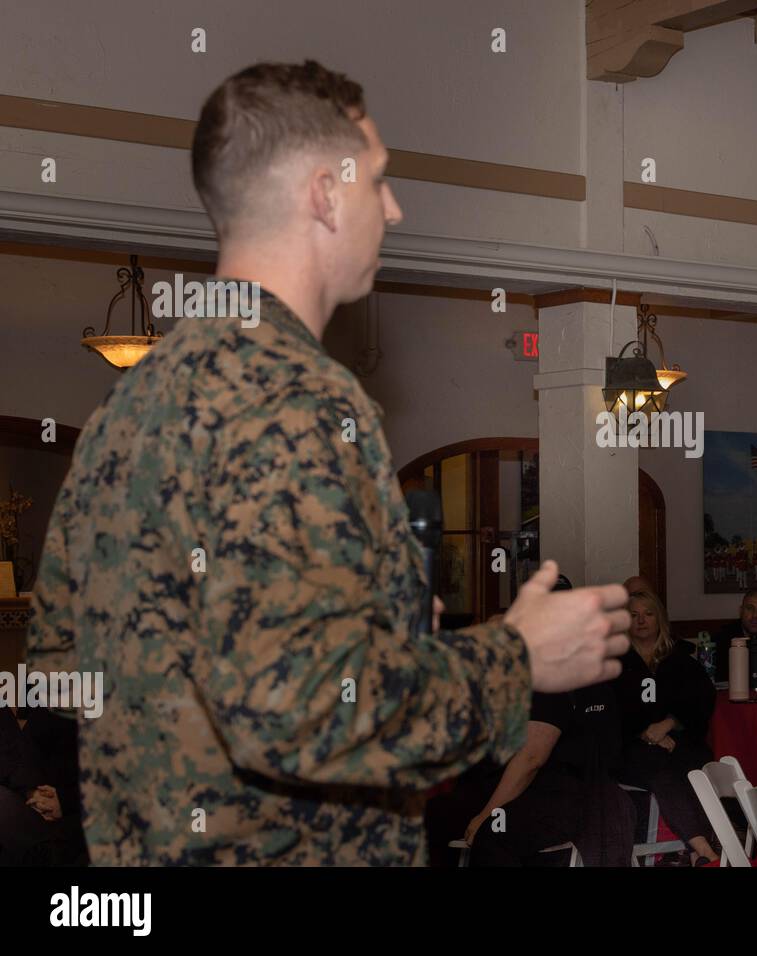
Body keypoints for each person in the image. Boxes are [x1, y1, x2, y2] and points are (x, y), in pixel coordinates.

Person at [24, 61, 631, 866]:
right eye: (377, 181)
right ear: (322, 192)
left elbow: (63, 671)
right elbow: (303, 714)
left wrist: (383, 641)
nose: (394, 207)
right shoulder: (300, 400)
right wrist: (517, 656)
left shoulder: (121, 413)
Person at [465, 679, 636, 867]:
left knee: (492, 833)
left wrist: (487, 813)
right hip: (588, 795)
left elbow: (532, 759)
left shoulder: (551, 686)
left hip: (565, 796)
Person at [615, 591, 719, 865]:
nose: (641, 621)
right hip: (632, 747)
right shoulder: (615, 663)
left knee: (697, 766)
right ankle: (703, 848)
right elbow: (609, 713)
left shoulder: (680, 659)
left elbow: (702, 699)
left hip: (679, 739)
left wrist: (670, 723)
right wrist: (646, 733)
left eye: (648, 614)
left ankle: (700, 847)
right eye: (634, 615)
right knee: (660, 770)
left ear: (659, 619)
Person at [0, 705, 88, 865]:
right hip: (33, 803)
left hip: (74, 819)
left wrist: (65, 801)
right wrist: (31, 792)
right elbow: (20, 755)